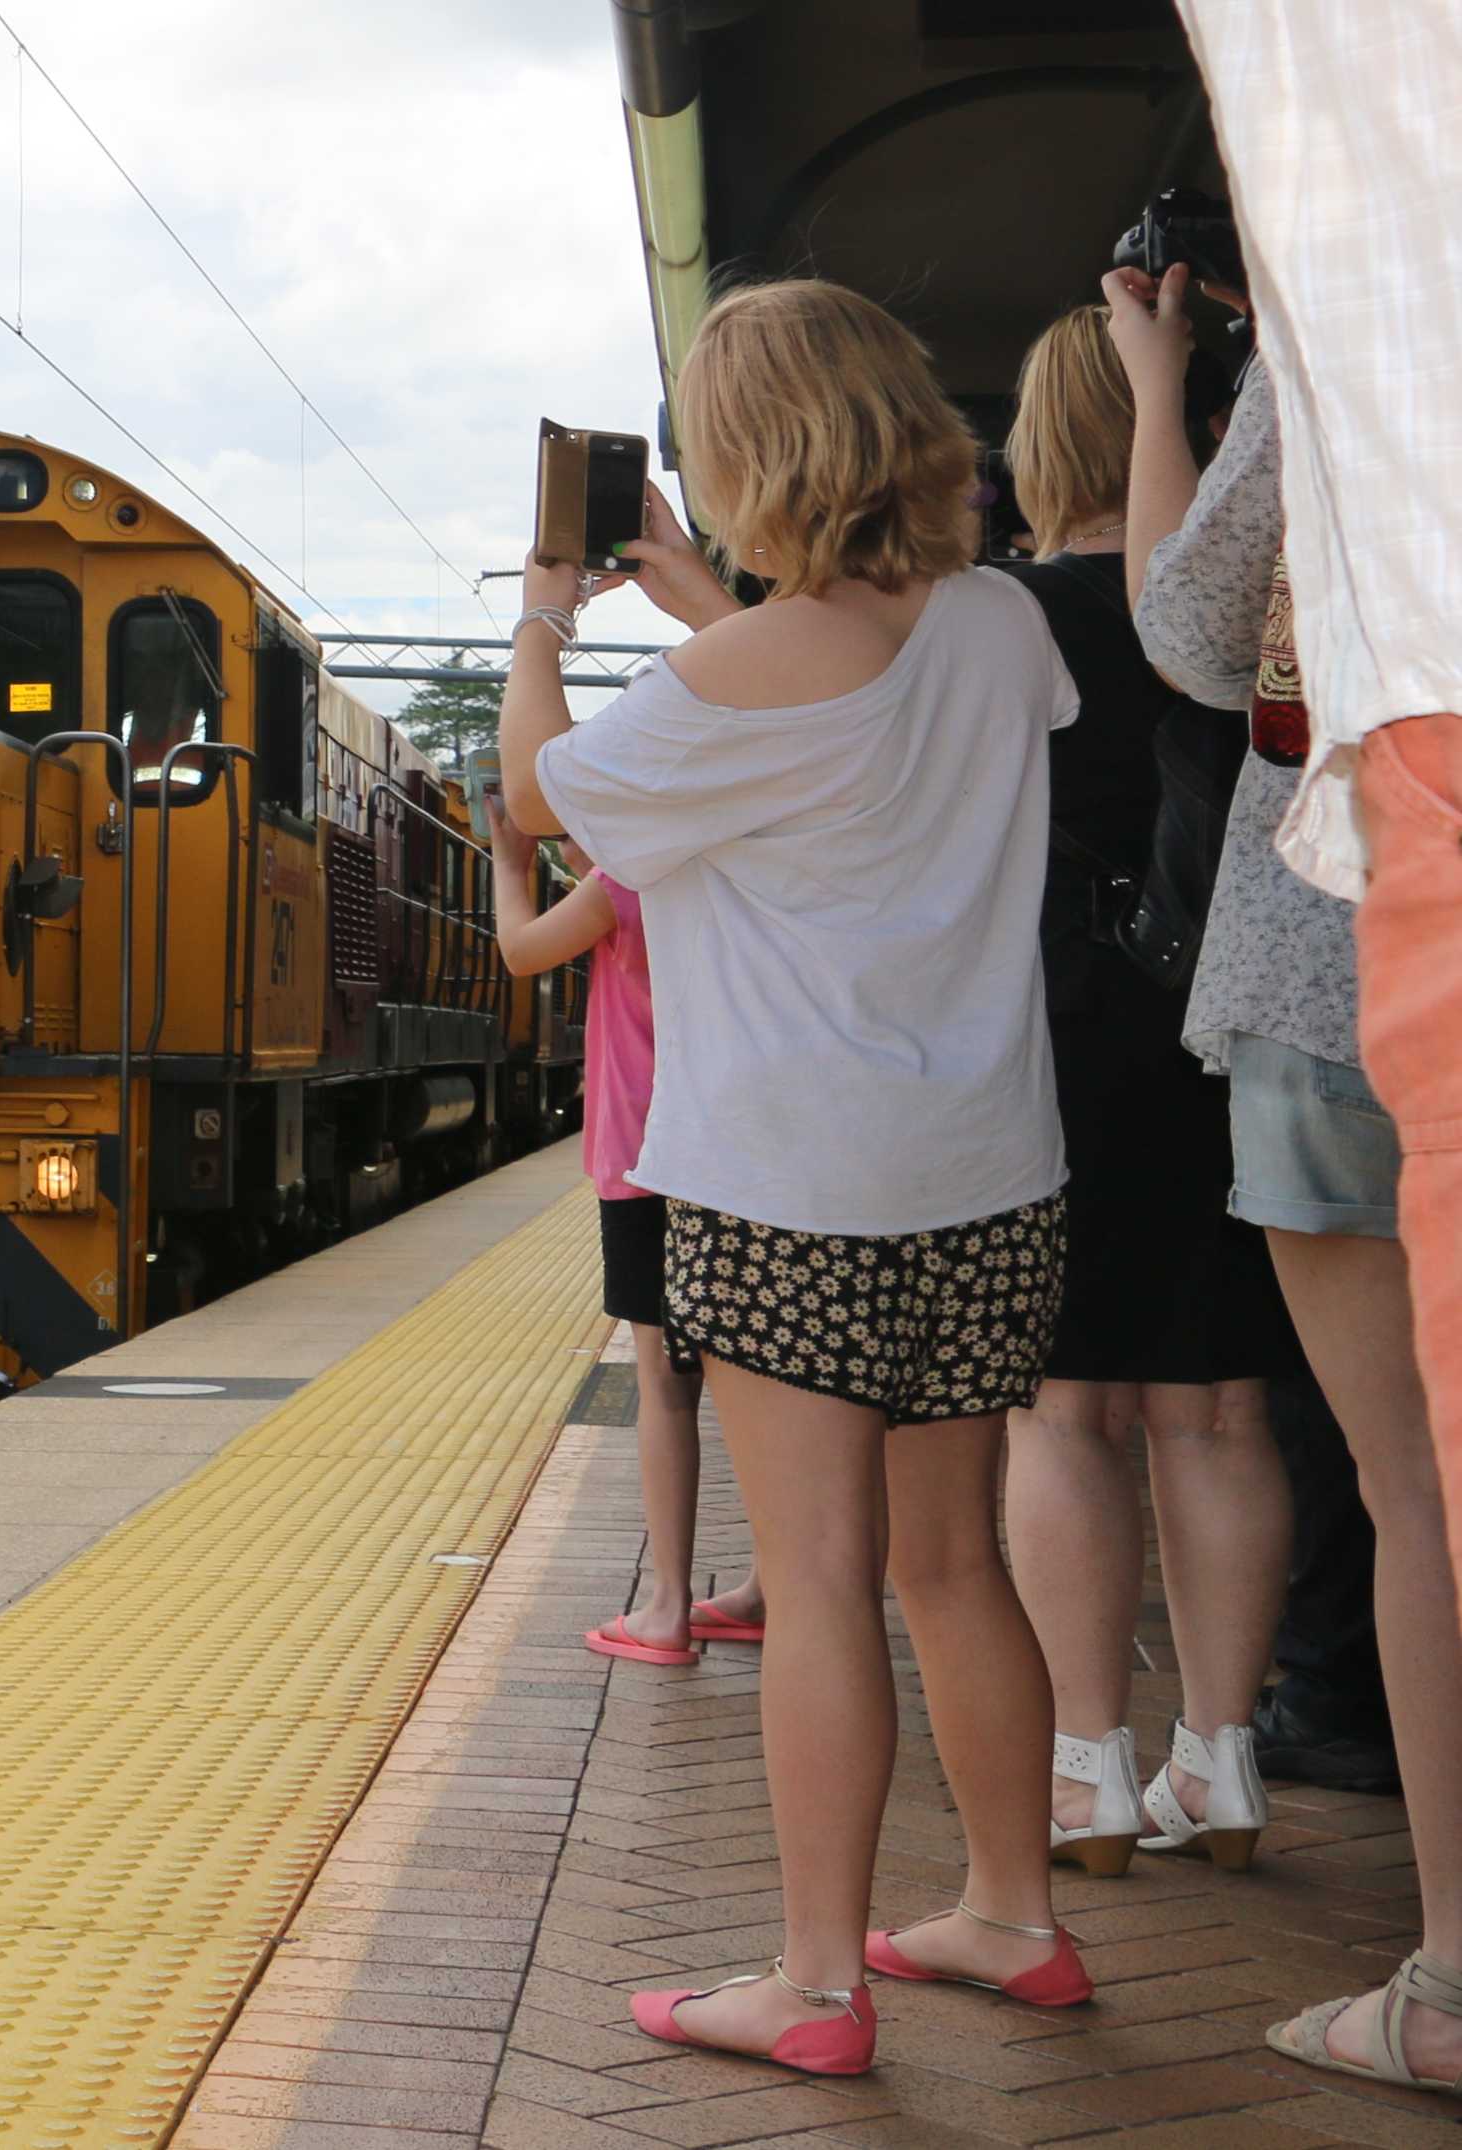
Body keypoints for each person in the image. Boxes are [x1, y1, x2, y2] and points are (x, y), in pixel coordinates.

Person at [502, 279, 1089, 2077]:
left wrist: (545, 619)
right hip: (990, 1173)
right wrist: (701, 592)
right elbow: (866, 684)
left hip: (789, 1188)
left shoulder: (725, 679)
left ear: (747, 452)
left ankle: (817, 1987)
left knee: (818, 1580)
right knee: (953, 1562)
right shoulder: (1002, 625)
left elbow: (544, 799)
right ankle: (1012, 1914)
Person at [1110, 251, 1462, 2099]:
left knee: (1418, 1491)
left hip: (1346, 957)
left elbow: (1187, 624)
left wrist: (1165, 383)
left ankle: (1457, 1985)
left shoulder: (1363, 335)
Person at [990, 306, 1302, 1879]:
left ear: (1044, 442)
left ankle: (1087, 1767)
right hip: (1228, 1015)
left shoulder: (1001, 615)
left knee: (1065, 1406)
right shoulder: (1242, 607)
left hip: (1056, 1031)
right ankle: (1222, 1760)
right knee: (1222, 1406)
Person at [488, 816, 765, 1668]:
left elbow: (521, 950)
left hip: (648, 1156)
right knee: (759, 1383)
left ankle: (666, 1607)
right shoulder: (727, 867)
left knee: (665, 1387)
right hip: (739, 1151)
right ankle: (772, 1584)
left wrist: (509, 860)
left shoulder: (622, 885)